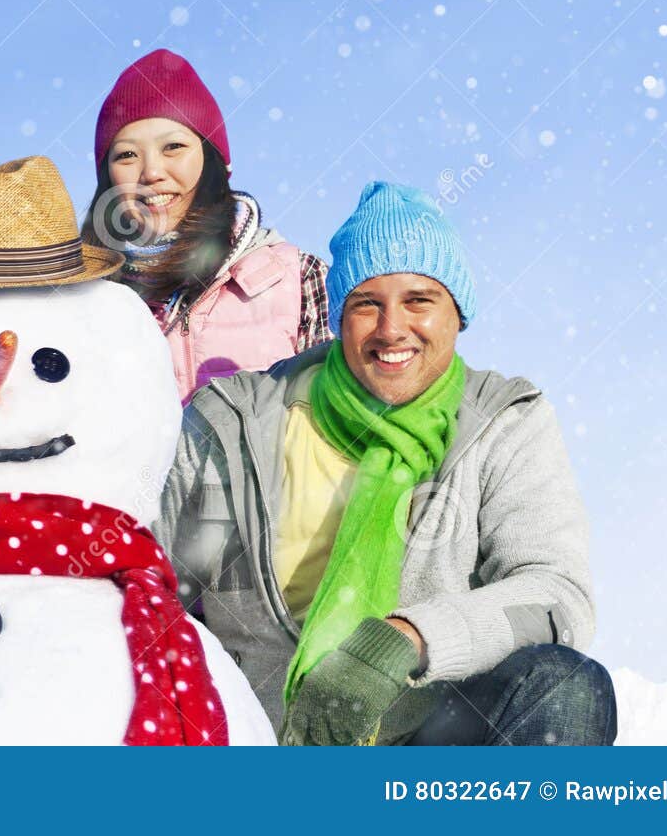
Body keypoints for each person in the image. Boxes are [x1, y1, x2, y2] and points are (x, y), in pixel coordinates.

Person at [157, 181, 617, 746]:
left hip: (425, 737)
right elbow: (155, 589)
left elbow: (554, 593)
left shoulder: (502, 424)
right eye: (366, 304)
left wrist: (405, 639)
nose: (392, 328)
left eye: (419, 300)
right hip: (260, 737)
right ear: (340, 315)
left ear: (458, 314)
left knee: (563, 686)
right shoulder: (235, 424)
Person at [83, 49, 331, 401]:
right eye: (127, 155)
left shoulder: (299, 278)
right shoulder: (81, 298)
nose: (151, 172)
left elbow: (332, 420)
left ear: (213, 160)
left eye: (173, 147)